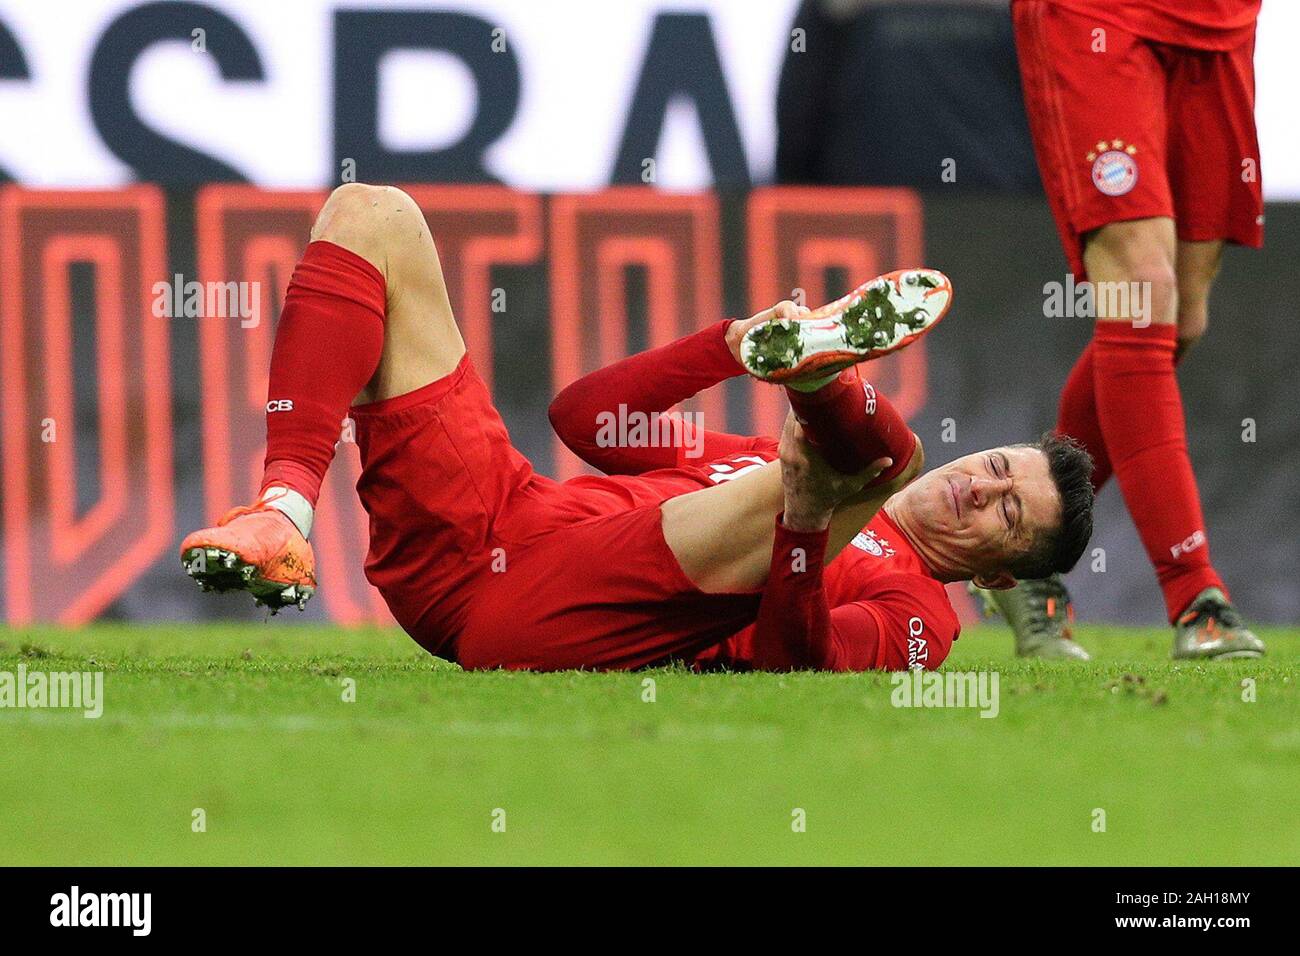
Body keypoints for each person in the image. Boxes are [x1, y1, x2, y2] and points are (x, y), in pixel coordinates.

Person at [180, 183, 1094, 671]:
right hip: (493, 522)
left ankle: (823, 380)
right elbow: (582, 418)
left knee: (888, 458)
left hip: (546, 618)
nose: (984, 486)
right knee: (374, 215)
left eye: (1008, 513)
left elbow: (793, 663)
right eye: (1002, 466)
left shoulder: (922, 615)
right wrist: (728, 347)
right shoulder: (748, 458)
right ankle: (283, 511)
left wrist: (808, 522)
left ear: (999, 573)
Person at [988, 0, 1266, 660]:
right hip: (1100, 14)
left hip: (1220, 22)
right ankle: (1197, 598)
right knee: (1142, 288)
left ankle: (1021, 555)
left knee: (1181, 319)